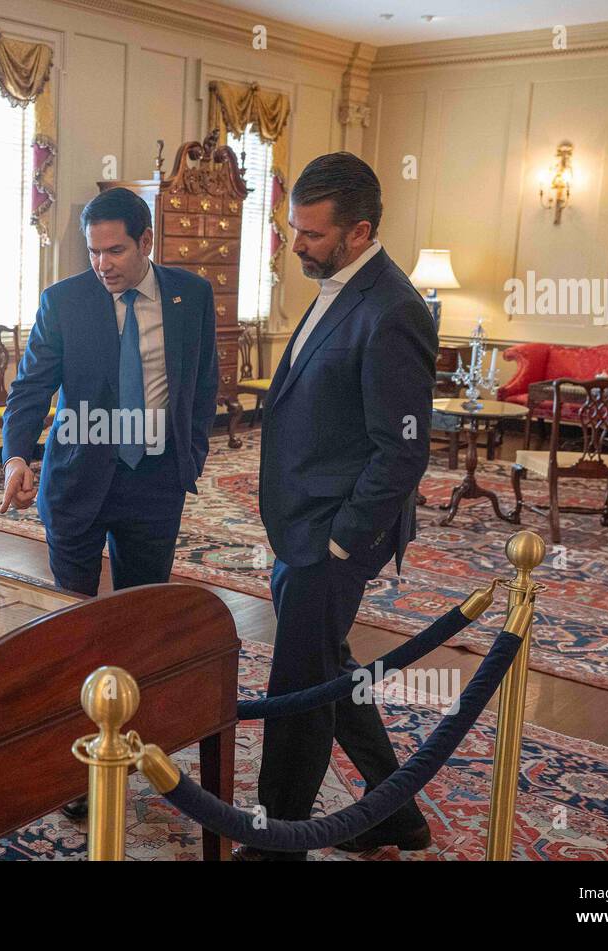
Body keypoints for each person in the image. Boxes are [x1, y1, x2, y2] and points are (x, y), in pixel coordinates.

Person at [237, 152, 438, 861]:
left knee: (297, 687)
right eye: (293, 228)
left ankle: (276, 838)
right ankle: (397, 813)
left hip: (331, 537)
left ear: (358, 231)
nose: (296, 246)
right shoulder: (341, 284)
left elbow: (403, 449)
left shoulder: (394, 309)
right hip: (303, 527)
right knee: (330, 671)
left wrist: (344, 543)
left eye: (312, 235)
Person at [0, 187, 218, 598]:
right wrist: (15, 458)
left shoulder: (191, 296)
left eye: (115, 250)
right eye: (94, 252)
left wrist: (192, 456)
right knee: (73, 611)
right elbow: (30, 388)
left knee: (141, 611)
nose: (103, 265)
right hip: (77, 477)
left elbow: (204, 383)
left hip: (156, 481)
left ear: (146, 241)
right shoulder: (63, 302)